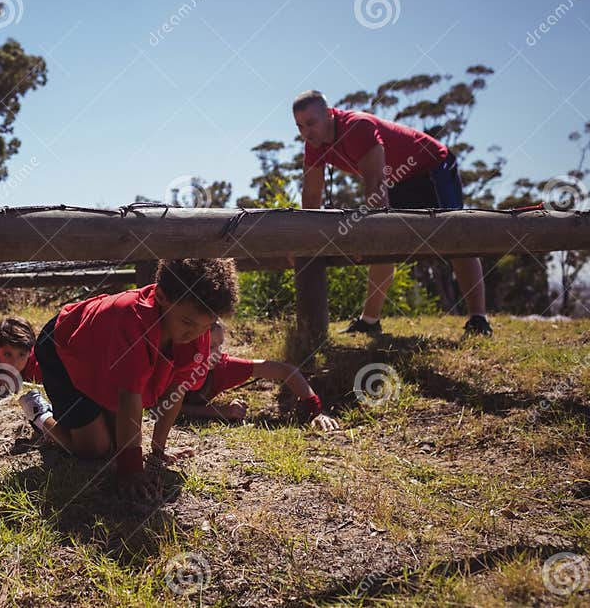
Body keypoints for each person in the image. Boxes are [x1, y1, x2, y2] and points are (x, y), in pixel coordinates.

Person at [18, 258, 238, 502]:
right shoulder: (131, 318)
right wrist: (131, 469)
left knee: (116, 444)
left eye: (203, 327)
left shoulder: (194, 331)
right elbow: (129, 396)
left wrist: (158, 450)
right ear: (162, 296)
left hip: (105, 359)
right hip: (65, 346)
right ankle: (39, 412)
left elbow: (178, 389)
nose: (193, 334)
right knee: (95, 450)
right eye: (187, 323)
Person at [293, 90, 492, 336]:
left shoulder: (358, 127)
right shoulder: (314, 145)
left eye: (311, 123)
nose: (306, 132)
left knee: (456, 237)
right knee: (386, 245)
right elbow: (312, 196)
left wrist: (366, 237)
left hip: (431, 167)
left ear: (329, 114)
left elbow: (375, 187)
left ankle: (479, 319)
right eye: (300, 126)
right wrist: (305, 243)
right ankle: (369, 321)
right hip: (397, 179)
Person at [179, 320, 338, 430]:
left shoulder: (222, 366)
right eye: (211, 346)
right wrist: (219, 411)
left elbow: (286, 371)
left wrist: (316, 411)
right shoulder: (175, 362)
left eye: (219, 345)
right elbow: (160, 408)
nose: (217, 353)